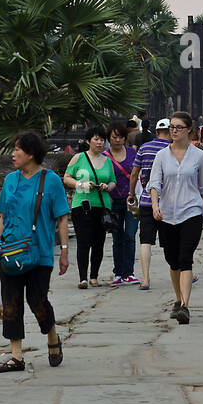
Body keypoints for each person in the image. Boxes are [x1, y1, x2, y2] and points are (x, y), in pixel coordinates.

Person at [0, 132, 71, 373]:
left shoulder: (51, 181)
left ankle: (52, 335)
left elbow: (62, 218)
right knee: (11, 303)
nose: (13, 154)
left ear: (31, 154)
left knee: (37, 300)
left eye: (17, 149)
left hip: (40, 253)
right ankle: (16, 356)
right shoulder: (10, 181)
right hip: (10, 251)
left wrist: (65, 251)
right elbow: (3, 217)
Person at [147, 111, 203, 325]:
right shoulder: (161, 156)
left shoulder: (200, 156)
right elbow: (154, 183)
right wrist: (155, 205)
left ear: (188, 130)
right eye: (171, 127)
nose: (174, 131)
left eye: (178, 127)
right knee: (173, 260)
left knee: (186, 258)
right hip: (166, 213)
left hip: (191, 211)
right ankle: (178, 299)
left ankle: (185, 305)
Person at [63, 125, 115, 288]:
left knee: (99, 242)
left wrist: (107, 187)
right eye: (96, 139)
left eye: (102, 140)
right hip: (83, 204)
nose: (100, 143)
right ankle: (83, 278)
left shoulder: (107, 161)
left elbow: (113, 181)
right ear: (88, 141)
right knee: (84, 241)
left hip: (102, 205)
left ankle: (94, 276)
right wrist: (81, 184)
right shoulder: (79, 158)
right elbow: (66, 177)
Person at [127, 119, 171, 291]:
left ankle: (145, 279)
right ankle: (183, 270)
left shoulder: (145, 148)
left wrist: (132, 194)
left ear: (157, 131)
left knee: (145, 240)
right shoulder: (172, 149)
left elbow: (134, 174)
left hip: (146, 200)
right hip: (167, 202)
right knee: (171, 241)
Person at [106, 121, 140, 287]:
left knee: (130, 235)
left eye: (120, 137)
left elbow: (138, 173)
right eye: (114, 137)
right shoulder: (105, 157)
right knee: (117, 236)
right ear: (109, 138)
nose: (117, 140)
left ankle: (130, 272)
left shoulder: (133, 152)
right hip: (113, 200)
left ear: (125, 138)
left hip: (132, 199)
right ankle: (118, 272)